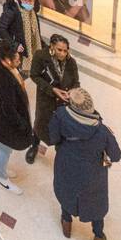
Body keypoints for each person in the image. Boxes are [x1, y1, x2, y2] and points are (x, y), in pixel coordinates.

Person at [50, 87, 121, 240]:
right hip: (92, 175)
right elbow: (116, 156)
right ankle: (98, 237)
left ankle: (66, 224)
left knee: (66, 192)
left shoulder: (60, 115)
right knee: (95, 204)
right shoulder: (102, 131)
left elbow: (53, 138)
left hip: (65, 164)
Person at [0, 42, 33, 193]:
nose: (19, 62)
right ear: (8, 60)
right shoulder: (5, 79)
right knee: (5, 149)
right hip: (5, 121)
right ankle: (1, 177)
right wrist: (21, 124)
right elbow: (9, 107)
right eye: (17, 60)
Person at [29, 33, 79, 163]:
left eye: (65, 50)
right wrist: (52, 90)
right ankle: (34, 145)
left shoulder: (71, 62)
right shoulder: (40, 56)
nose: (62, 54)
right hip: (46, 100)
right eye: (59, 50)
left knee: (60, 128)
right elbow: (34, 75)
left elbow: (76, 82)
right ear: (52, 46)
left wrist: (72, 92)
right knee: (40, 123)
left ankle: (60, 153)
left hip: (63, 104)